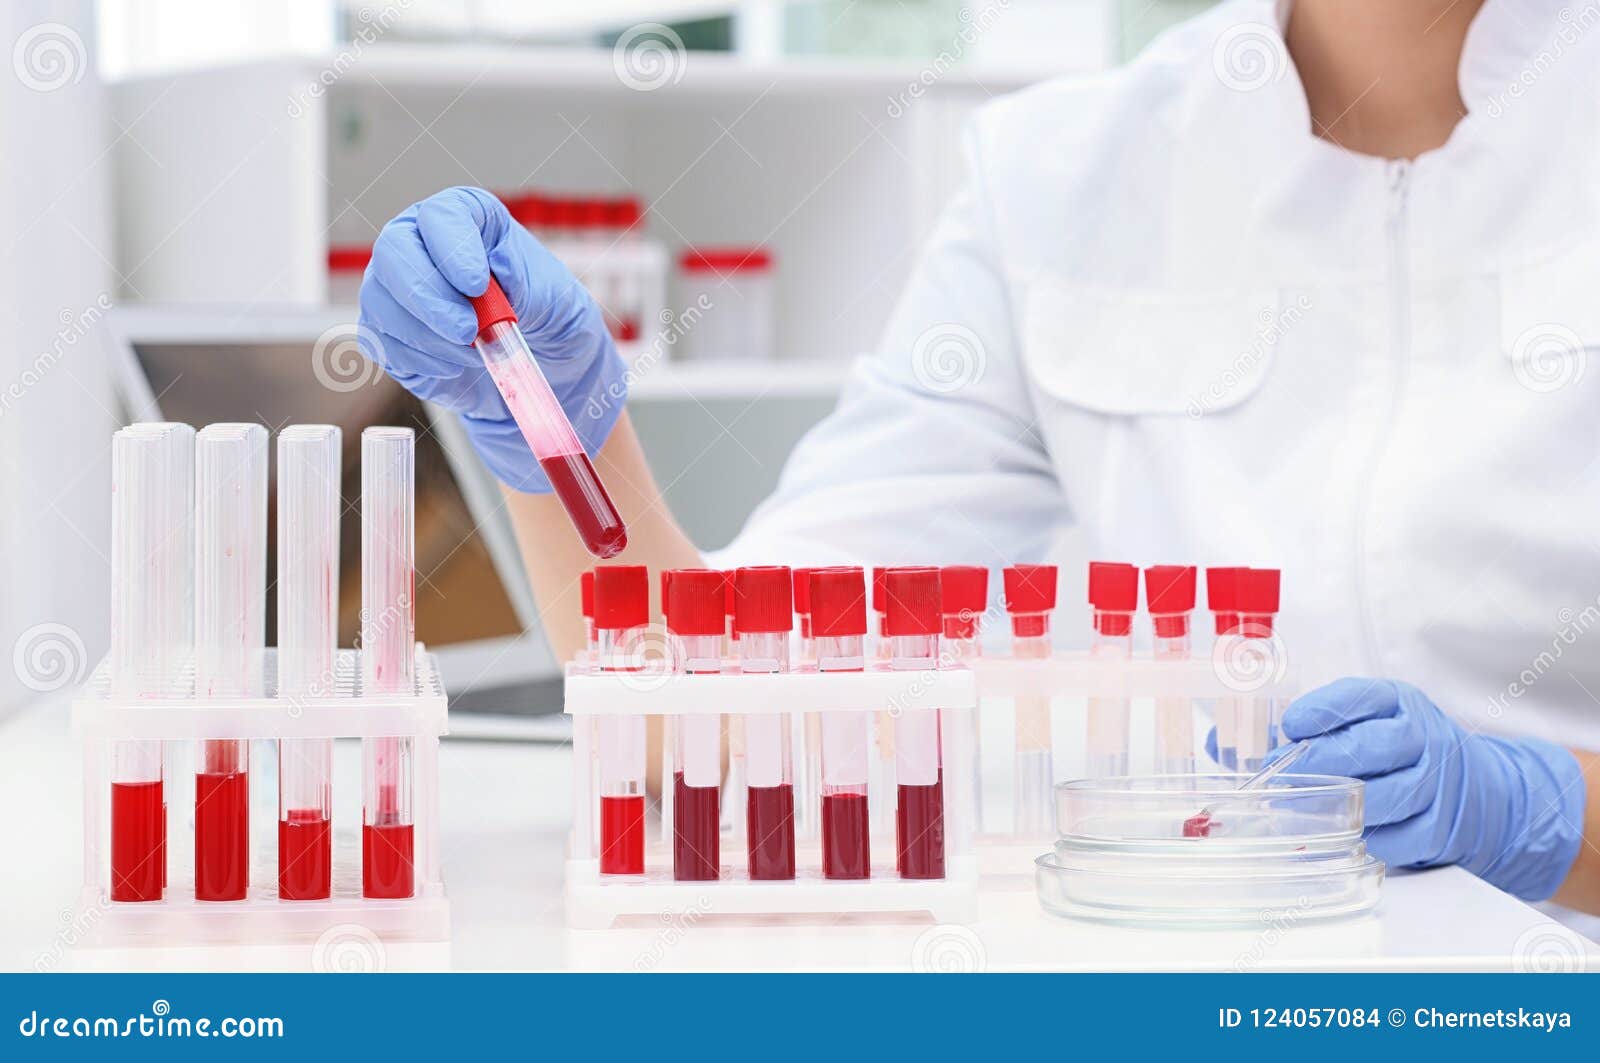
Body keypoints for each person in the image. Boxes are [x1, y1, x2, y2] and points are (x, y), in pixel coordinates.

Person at [356, 0, 1598, 915]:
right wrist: (564, 428)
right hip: (1204, 982)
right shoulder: (1064, 175)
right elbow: (718, 705)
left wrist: (1535, 812)